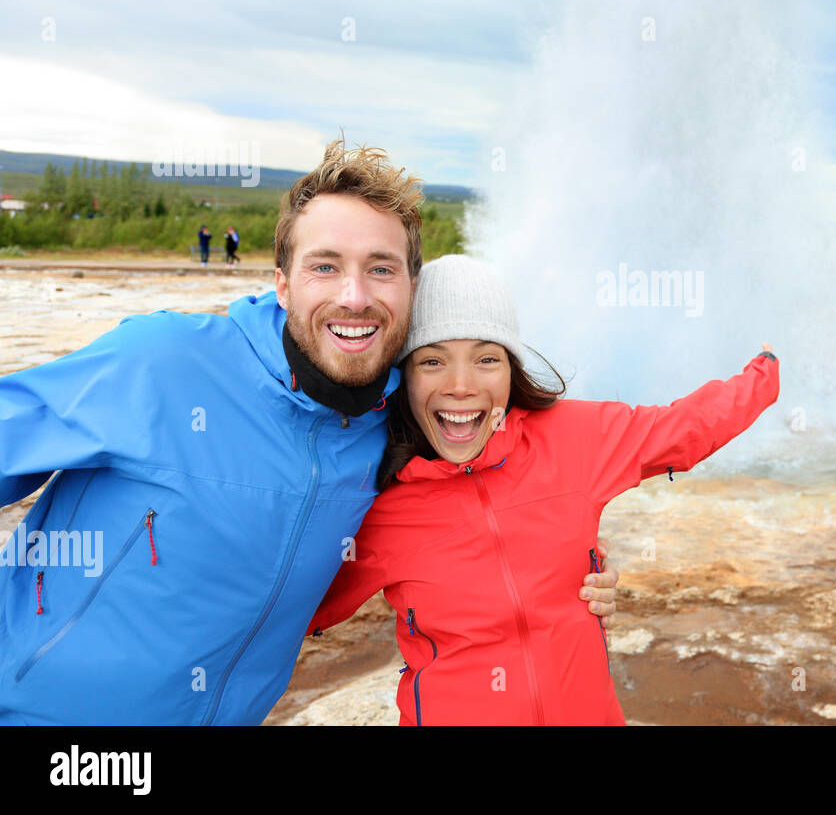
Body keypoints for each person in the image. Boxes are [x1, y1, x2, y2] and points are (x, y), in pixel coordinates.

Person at [0, 140, 620, 725]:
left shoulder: (397, 429)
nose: (355, 296)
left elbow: (470, 514)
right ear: (281, 281)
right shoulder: (160, 363)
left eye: (381, 269)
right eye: (326, 266)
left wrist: (571, 578)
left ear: (410, 291)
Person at [309, 255, 779, 725]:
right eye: (432, 360)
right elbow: (287, 606)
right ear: (402, 377)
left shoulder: (573, 439)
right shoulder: (376, 505)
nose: (460, 385)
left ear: (512, 369)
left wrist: (763, 374)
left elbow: (683, 429)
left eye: (486, 359)